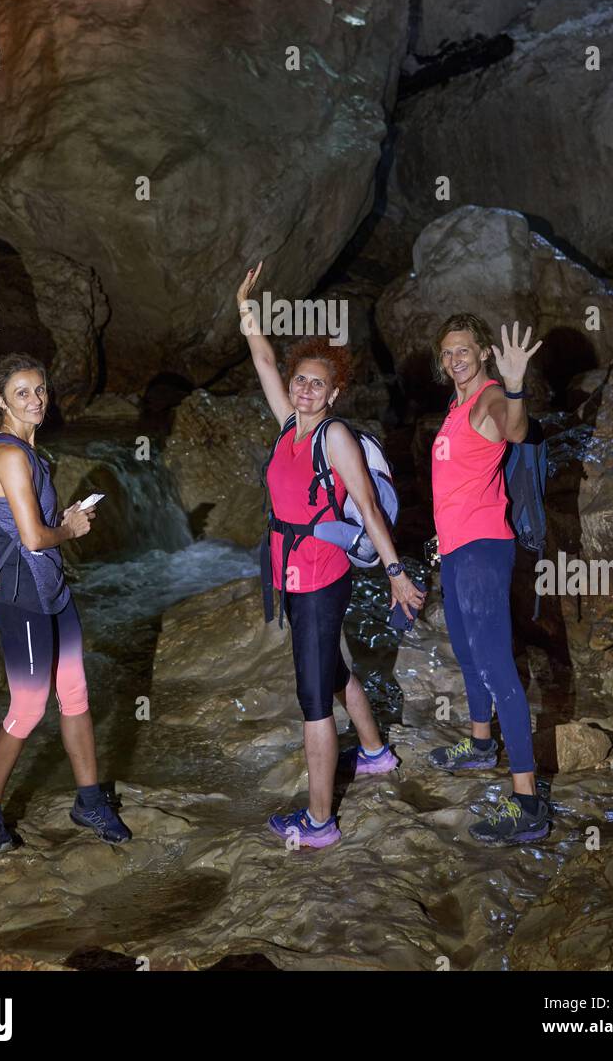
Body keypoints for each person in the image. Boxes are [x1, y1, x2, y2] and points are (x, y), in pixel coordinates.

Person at [237, 262, 424, 850]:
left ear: (335, 392)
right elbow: (264, 360)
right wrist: (246, 308)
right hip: (293, 573)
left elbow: (368, 508)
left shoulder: (332, 436)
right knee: (331, 663)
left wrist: (395, 573)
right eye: (301, 380)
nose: (305, 389)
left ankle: (319, 824)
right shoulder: (290, 425)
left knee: (313, 701)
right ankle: (374, 753)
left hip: (321, 576)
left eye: (318, 384)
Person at [0, 352, 131, 851]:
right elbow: (36, 540)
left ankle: (88, 802)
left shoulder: (30, 452)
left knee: (76, 695)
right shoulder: (9, 455)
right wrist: (71, 528)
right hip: (23, 599)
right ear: (0, 400)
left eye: (40, 390)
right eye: (22, 393)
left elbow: (32, 529)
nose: (35, 400)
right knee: (28, 707)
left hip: (53, 591)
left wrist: (60, 519)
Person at [428, 314, 550, 845]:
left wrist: (517, 381)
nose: (454, 359)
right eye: (446, 353)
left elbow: (515, 428)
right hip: (455, 551)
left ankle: (527, 802)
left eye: (463, 350)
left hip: (483, 548)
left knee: (497, 664)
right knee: (466, 649)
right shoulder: (455, 408)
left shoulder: (490, 399)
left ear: (481, 354)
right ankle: (481, 744)